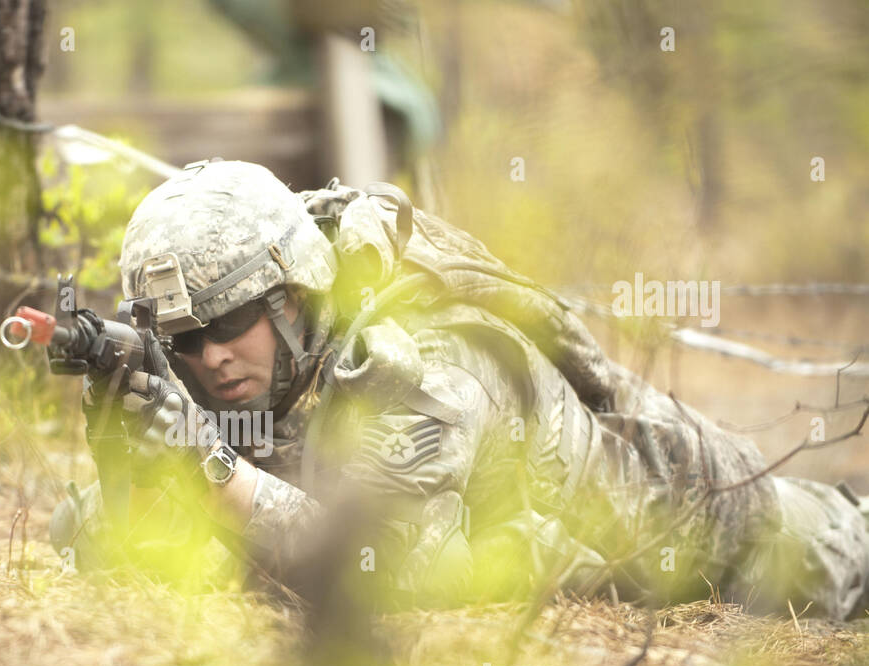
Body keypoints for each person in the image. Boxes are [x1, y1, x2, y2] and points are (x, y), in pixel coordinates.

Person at [50, 159, 869, 620]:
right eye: (181, 344)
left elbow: (386, 572)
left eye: (227, 325)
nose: (209, 359)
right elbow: (111, 541)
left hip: (699, 512)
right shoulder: (271, 372)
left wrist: (214, 478)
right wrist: (132, 456)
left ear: (293, 296)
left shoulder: (414, 362)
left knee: (839, 557)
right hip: (561, 540)